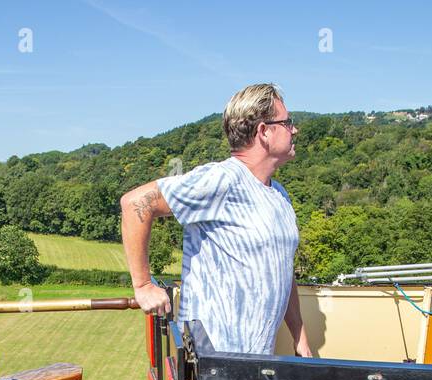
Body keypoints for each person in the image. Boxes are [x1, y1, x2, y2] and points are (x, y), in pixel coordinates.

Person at [120, 83, 312, 357]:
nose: (295, 129)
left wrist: (300, 336)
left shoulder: (279, 194)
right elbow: (136, 203)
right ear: (264, 131)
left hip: (257, 358)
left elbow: (282, 268)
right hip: (218, 356)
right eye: (287, 122)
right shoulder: (223, 180)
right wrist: (143, 285)